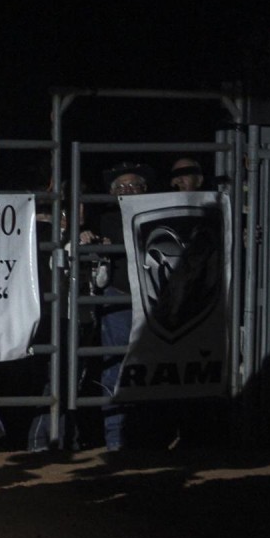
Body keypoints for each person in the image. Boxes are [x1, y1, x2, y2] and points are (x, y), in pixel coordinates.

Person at [93, 161, 154, 451]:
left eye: (135, 185)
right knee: (115, 367)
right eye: (121, 186)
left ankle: (149, 436)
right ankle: (115, 438)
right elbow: (85, 238)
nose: (128, 190)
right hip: (119, 297)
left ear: (146, 189)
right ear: (110, 191)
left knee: (154, 367)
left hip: (154, 298)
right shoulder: (103, 216)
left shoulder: (159, 213)